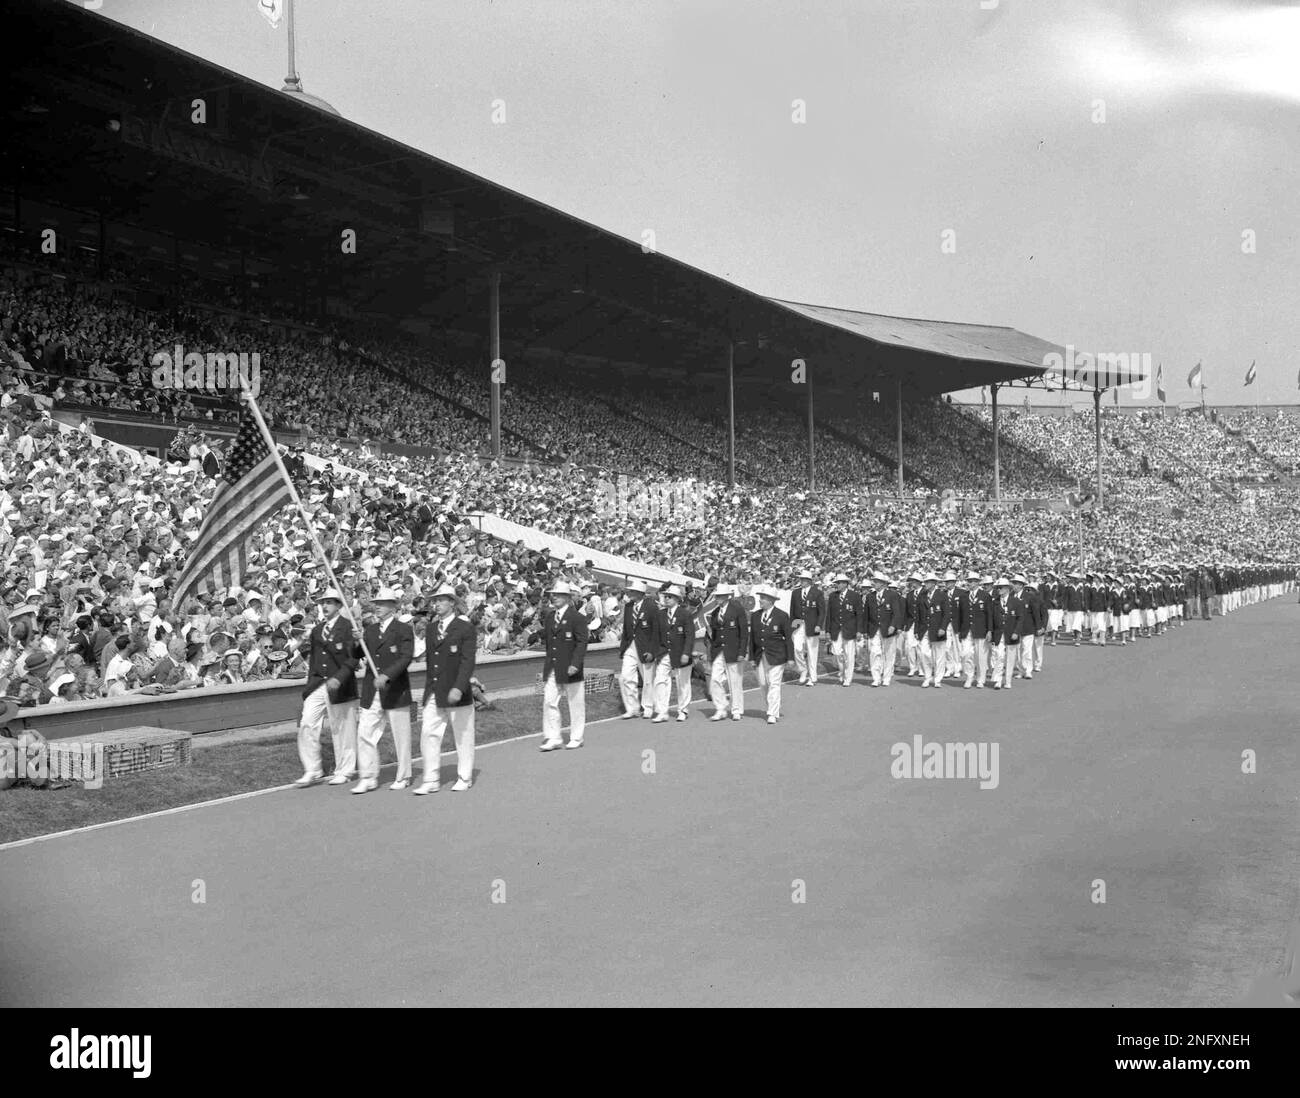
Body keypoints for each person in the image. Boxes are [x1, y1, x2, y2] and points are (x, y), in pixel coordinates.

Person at [293, 587, 360, 788]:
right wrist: (311, 683)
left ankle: (345, 770)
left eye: (329, 602)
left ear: (339, 605)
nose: (325, 606)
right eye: (323, 603)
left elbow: (353, 659)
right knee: (307, 723)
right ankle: (312, 769)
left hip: (340, 684)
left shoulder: (348, 627)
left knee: (342, 728)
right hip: (318, 683)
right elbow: (315, 658)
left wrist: (339, 678)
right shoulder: (317, 630)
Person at [353, 586, 415, 793]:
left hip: (395, 690)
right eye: (376, 604)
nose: (377, 607)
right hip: (372, 691)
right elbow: (357, 654)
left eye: (382, 604)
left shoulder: (403, 629)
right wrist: (357, 640)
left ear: (393, 607)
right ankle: (368, 776)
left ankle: (404, 775)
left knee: (401, 736)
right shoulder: (370, 630)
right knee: (365, 732)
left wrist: (387, 676)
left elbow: (406, 657)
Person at [416, 584, 476, 793]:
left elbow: (468, 661)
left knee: (463, 735)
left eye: (441, 600)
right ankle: (431, 779)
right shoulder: (431, 629)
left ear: (452, 602)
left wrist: (459, 687)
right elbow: (431, 660)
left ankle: (465, 776)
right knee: (428, 734)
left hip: (457, 690)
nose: (437, 604)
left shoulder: (465, 627)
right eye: (434, 600)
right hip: (434, 689)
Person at [536, 579, 588, 750]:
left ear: (567, 597)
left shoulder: (577, 618)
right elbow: (550, 643)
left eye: (558, 595)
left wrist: (575, 664)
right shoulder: (551, 617)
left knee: (575, 703)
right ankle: (553, 737)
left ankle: (577, 737)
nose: (554, 598)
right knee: (549, 701)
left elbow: (581, 643)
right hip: (553, 665)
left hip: (571, 666)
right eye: (553, 595)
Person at [618, 579, 663, 720]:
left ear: (640, 593)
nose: (630, 593)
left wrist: (652, 651)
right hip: (630, 646)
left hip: (645, 647)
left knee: (648, 679)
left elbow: (656, 631)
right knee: (626, 677)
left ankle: (648, 707)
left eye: (632, 591)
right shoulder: (628, 607)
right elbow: (626, 629)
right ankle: (632, 708)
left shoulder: (651, 607)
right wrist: (623, 648)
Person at [749, 584, 793, 724]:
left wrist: (790, 657)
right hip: (760, 655)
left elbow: (788, 638)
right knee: (763, 684)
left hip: (777, 655)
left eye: (763, 598)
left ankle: (772, 713)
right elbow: (752, 638)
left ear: (771, 600)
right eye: (760, 597)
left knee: (774, 683)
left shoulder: (782, 616)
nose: (760, 600)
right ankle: (772, 707)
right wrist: (751, 657)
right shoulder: (755, 616)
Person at [706, 582, 748, 721]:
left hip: (734, 650)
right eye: (716, 596)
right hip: (719, 650)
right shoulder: (715, 613)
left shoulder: (737, 609)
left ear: (726, 596)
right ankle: (721, 708)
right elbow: (714, 634)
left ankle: (736, 709)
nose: (717, 598)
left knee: (734, 681)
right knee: (715, 679)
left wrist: (742, 652)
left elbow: (743, 632)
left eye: (720, 596)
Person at [656, 584, 694, 721]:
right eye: (665, 596)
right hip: (664, 653)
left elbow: (690, 636)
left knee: (682, 683)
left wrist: (686, 653)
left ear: (677, 599)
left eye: (670, 597)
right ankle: (662, 711)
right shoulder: (661, 614)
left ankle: (683, 710)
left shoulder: (685, 614)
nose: (666, 599)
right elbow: (657, 635)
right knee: (660, 680)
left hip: (680, 652)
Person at [788, 568, 824, 686]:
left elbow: (821, 611)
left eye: (804, 579)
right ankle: (803, 670)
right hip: (798, 624)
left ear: (809, 581)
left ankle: (813, 677)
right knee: (797, 648)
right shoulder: (795, 593)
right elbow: (792, 611)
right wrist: (792, 626)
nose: (802, 581)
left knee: (812, 651)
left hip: (812, 625)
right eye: (801, 579)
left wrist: (819, 625)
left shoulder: (817, 593)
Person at [825, 573, 860, 688]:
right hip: (836, 629)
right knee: (836, 652)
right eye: (837, 583)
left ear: (845, 584)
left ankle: (847, 678)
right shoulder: (833, 596)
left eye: (839, 583)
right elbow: (829, 615)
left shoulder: (855, 596)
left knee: (849, 655)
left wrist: (859, 630)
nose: (838, 585)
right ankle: (842, 671)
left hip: (850, 629)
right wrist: (827, 630)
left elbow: (859, 614)